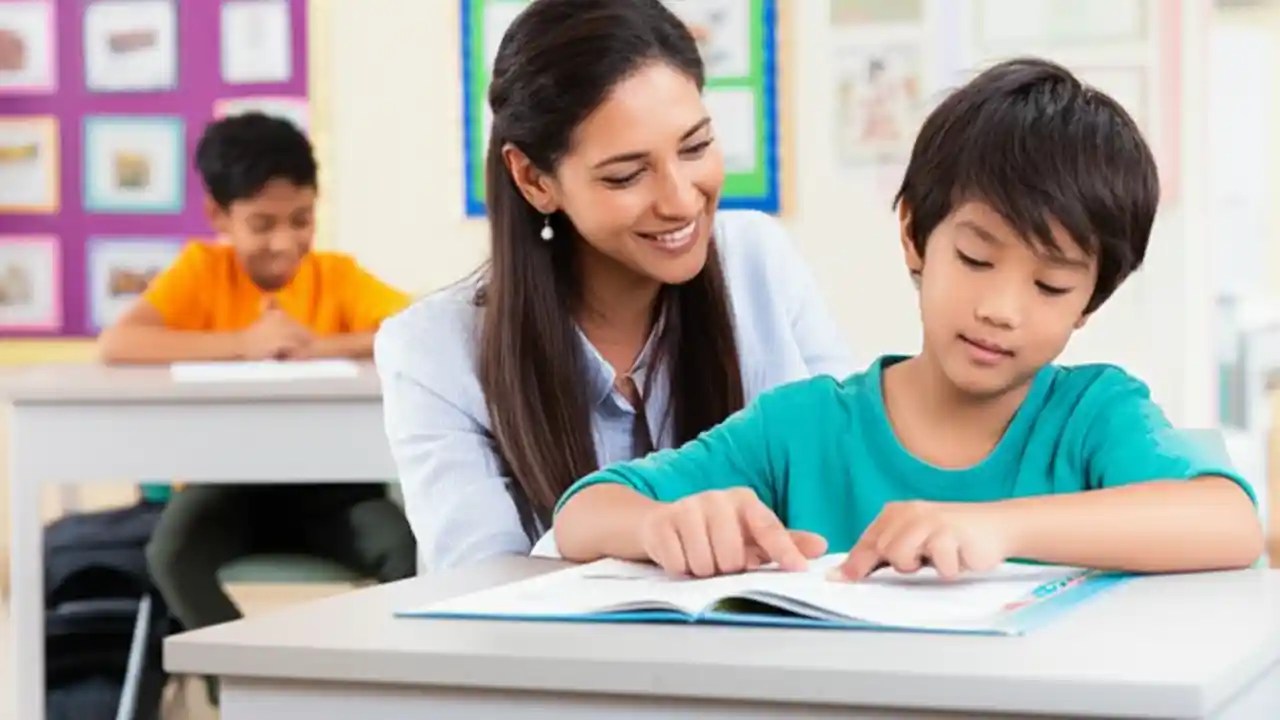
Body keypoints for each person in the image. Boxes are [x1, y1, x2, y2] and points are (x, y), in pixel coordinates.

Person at [552, 58, 1265, 580]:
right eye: (977, 260)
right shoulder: (803, 429)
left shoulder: (1092, 417)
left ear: (1091, 302)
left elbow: (1230, 522)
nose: (1001, 309)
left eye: (1051, 285)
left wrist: (996, 528)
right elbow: (582, 515)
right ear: (914, 235)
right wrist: (661, 523)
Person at [374, 0, 853, 571]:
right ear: (534, 180)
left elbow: (846, 464)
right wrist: (638, 529)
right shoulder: (434, 348)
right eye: (627, 175)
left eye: (696, 147)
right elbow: (479, 581)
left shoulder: (756, 259)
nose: (680, 200)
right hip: (555, 660)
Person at [98, 113, 416, 700]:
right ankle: (249, 691)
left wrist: (318, 346)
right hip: (228, 488)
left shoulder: (335, 277)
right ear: (220, 216)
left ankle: (382, 695)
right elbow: (119, 344)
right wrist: (242, 345)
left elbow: (413, 326)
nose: (286, 241)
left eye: (302, 219)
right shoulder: (201, 272)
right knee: (172, 552)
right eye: (262, 223)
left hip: (334, 492)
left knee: (410, 551)